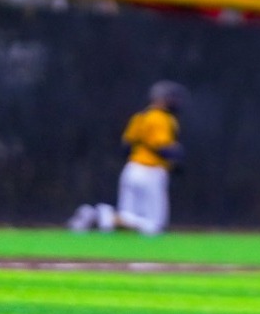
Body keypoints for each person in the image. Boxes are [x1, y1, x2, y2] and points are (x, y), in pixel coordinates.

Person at [68, 81, 185, 235]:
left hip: (132, 169)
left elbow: (126, 146)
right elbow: (162, 148)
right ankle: (102, 215)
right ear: (161, 99)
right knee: (154, 227)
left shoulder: (139, 117)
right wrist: (176, 157)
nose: (174, 102)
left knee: (127, 219)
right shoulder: (161, 118)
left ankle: (96, 215)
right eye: (171, 98)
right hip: (151, 171)